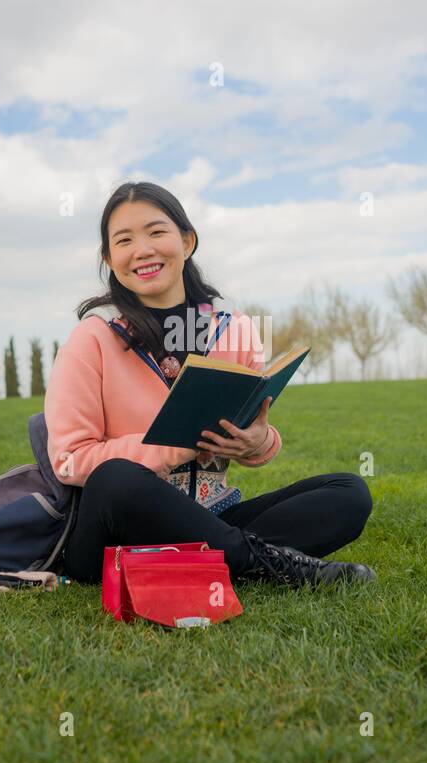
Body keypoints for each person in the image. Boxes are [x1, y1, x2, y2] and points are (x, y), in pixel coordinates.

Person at [44, 180, 376, 587]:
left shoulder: (232, 327)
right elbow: (69, 459)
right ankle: (268, 562)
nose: (143, 249)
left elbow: (257, 424)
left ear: (187, 241)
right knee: (116, 478)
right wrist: (169, 448)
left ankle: (213, 559)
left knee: (349, 493)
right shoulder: (92, 337)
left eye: (156, 232)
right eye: (124, 240)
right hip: (115, 532)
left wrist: (258, 442)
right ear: (110, 258)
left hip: (210, 516)